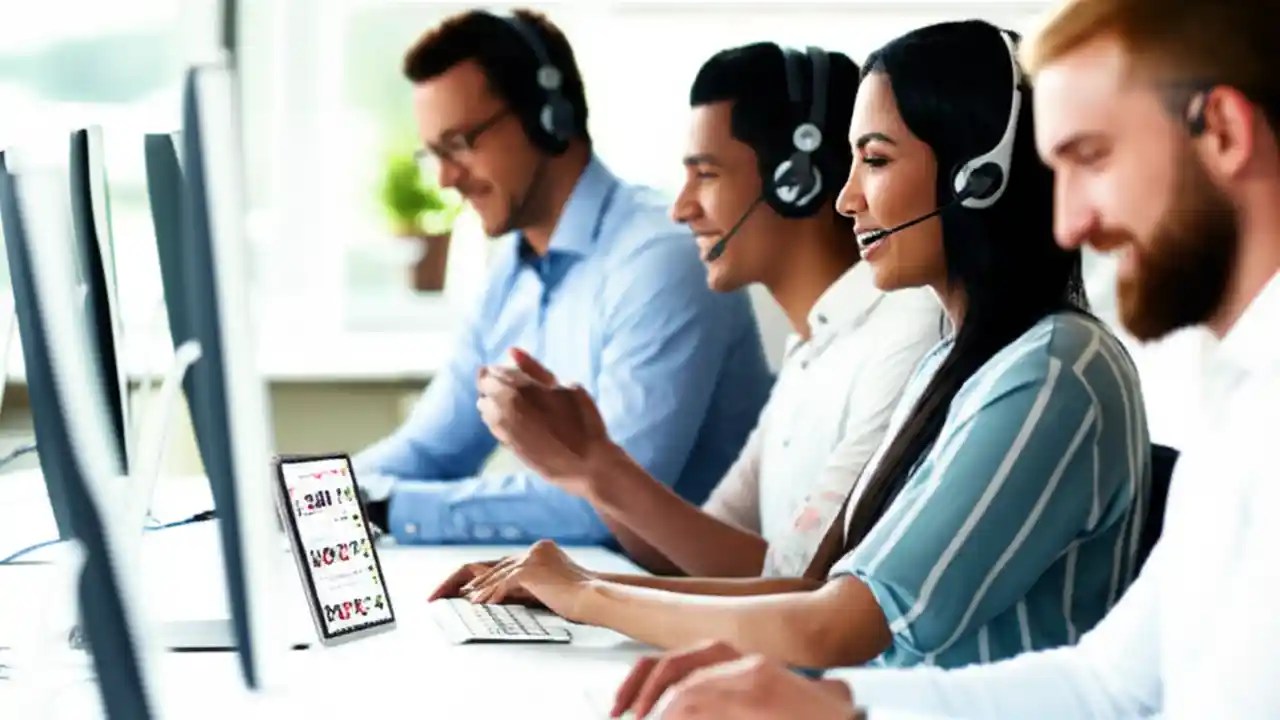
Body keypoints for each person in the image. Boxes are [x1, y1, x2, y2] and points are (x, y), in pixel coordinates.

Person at [613, 1, 1280, 718]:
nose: (1070, 221)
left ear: (1222, 132)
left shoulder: (1062, 367)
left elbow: (843, 616)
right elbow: (1109, 687)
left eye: (1093, 157)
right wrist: (833, 704)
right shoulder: (1237, 403)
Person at [434, 20, 1150, 677]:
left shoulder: (1049, 371)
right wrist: (572, 584)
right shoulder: (957, 363)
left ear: (975, 177)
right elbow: (814, 588)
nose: (846, 199)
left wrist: (589, 590)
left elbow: (832, 621)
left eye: (874, 160)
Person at [433, 41, 943, 591]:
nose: (681, 208)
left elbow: (799, 584)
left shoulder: (905, 334)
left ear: (795, 180)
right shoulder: (813, 344)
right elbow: (700, 550)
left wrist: (596, 483)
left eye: (707, 175)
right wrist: (582, 475)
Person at [352, 9, 774, 545]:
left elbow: (607, 505)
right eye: (434, 153)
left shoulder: (658, 260)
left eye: (460, 143)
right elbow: (435, 447)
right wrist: (318, 495)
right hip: (597, 593)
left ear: (547, 116)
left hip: (685, 604)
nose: (445, 178)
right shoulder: (511, 266)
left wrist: (384, 506)